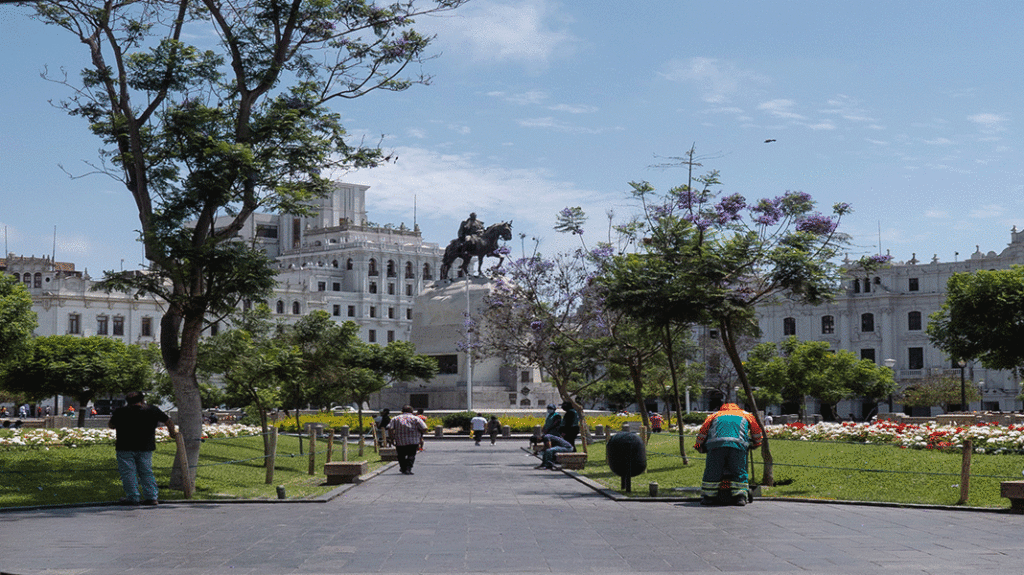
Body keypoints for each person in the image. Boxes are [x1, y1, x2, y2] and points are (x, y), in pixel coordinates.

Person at [109, 391, 176, 506]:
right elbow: (168, 421)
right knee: (146, 472)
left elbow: (111, 425)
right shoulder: (152, 410)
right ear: (142, 400)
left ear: (127, 401)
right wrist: (172, 433)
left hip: (125, 446)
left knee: (128, 473)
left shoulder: (121, 411)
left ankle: (132, 497)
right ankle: (151, 497)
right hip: (146, 446)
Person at [694, 403, 763, 506]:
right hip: (738, 446)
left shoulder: (714, 415)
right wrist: (757, 443)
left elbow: (703, 432)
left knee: (713, 470)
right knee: (739, 470)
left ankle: (708, 497)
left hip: (716, 446)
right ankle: (740, 497)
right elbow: (756, 431)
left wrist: (698, 446)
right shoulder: (746, 415)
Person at [386, 405, 428, 475]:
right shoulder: (416, 418)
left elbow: (390, 428)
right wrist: (419, 432)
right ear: (412, 411)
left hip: (400, 441)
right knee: (411, 455)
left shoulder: (396, 418)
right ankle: (408, 469)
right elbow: (424, 428)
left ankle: (403, 468)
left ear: (402, 411)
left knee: (401, 455)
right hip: (413, 441)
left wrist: (391, 438)